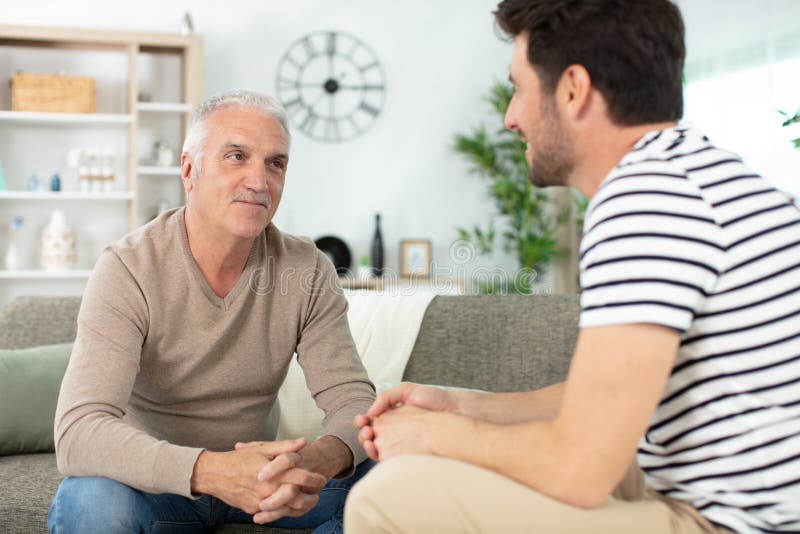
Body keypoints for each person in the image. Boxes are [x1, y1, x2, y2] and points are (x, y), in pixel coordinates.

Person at [346, 1, 800, 532]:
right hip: (719, 488)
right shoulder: (693, 173)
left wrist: (430, 435)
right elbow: (604, 399)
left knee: (386, 498)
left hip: (736, 522)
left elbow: (579, 468)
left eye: (519, 88)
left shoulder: (647, 203)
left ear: (573, 89)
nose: (510, 117)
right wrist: (460, 407)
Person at [48, 90, 376, 533]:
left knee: (392, 474)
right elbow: (79, 431)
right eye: (237, 157)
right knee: (90, 502)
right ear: (189, 170)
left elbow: (353, 401)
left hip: (265, 483)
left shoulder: (307, 269)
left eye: (275, 163)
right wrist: (214, 472)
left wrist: (313, 462)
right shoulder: (128, 268)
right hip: (156, 486)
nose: (259, 181)